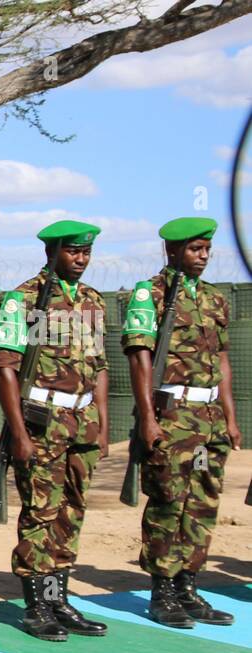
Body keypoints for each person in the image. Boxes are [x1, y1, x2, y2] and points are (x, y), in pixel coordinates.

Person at [0, 221, 110, 640]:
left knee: (71, 512)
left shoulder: (92, 301)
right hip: (43, 422)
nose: (81, 259)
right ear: (51, 252)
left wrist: (103, 423)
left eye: (86, 252)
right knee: (41, 512)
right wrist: (19, 432)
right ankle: (37, 604)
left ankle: (59, 597)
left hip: (83, 422)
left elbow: (98, 366)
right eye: (73, 252)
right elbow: (5, 369)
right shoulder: (23, 300)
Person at [121, 217, 241, 627]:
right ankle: (162, 591)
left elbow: (222, 359)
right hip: (172, 416)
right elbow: (140, 359)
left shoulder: (214, 298)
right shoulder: (149, 294)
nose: (203, 256)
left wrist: (230, 415)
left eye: (207, 249)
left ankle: (189, 586)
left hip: (208, 420)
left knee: (202, 502)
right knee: (168, 502)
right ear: (171, 251)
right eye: (194, 249)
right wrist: (148, 419)